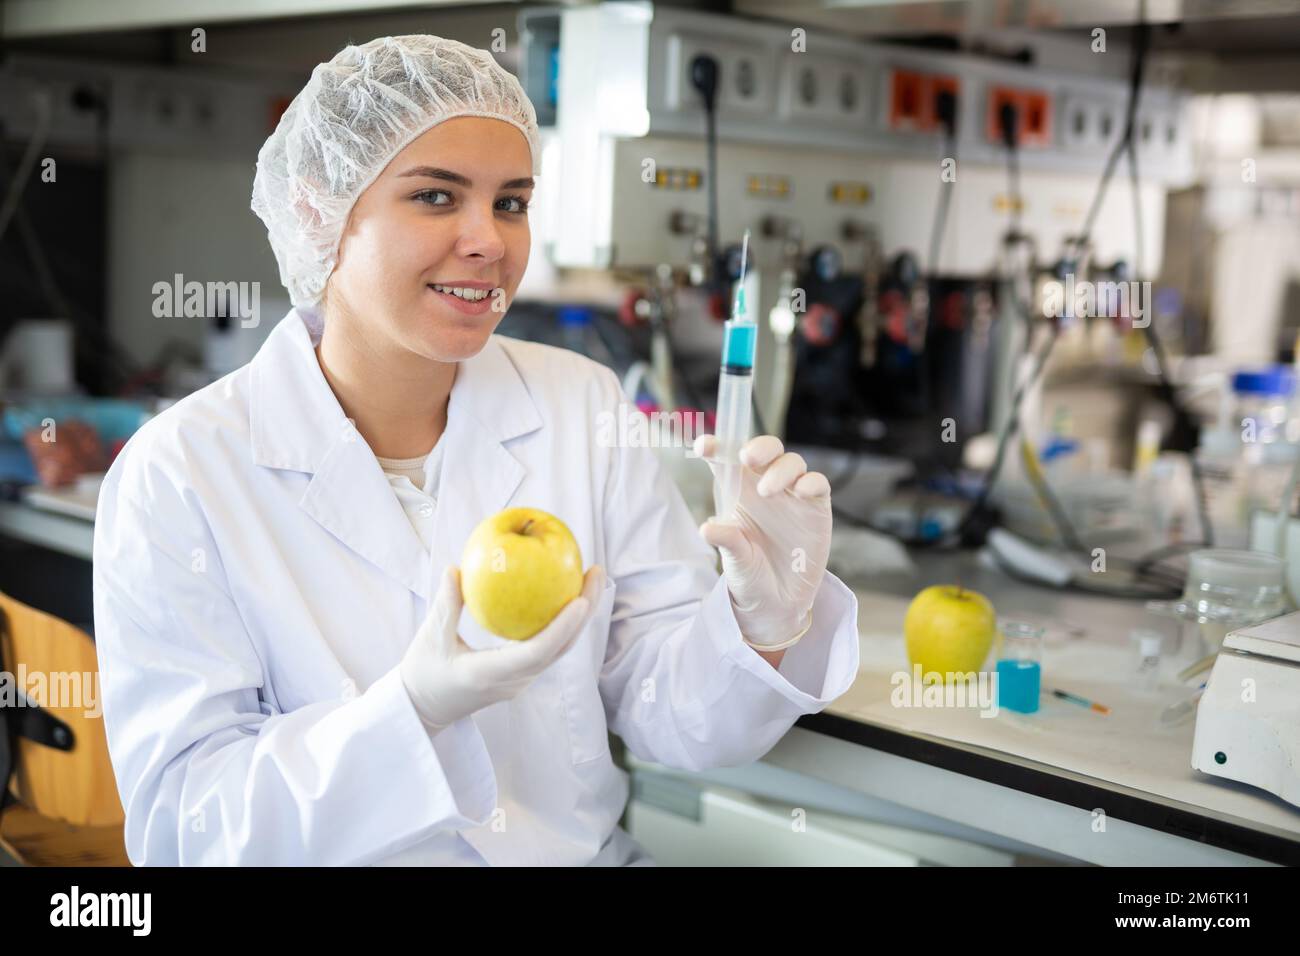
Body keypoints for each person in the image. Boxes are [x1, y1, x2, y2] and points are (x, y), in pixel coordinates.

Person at [92, 34, 860, 866]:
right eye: (434, 196)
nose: (489, 241)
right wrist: (410, 714)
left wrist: (761, 624)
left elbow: (671, 710)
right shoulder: (182, 471)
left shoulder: (577, 404)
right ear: (320, 213)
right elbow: (185, 826)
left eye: (511, 203)